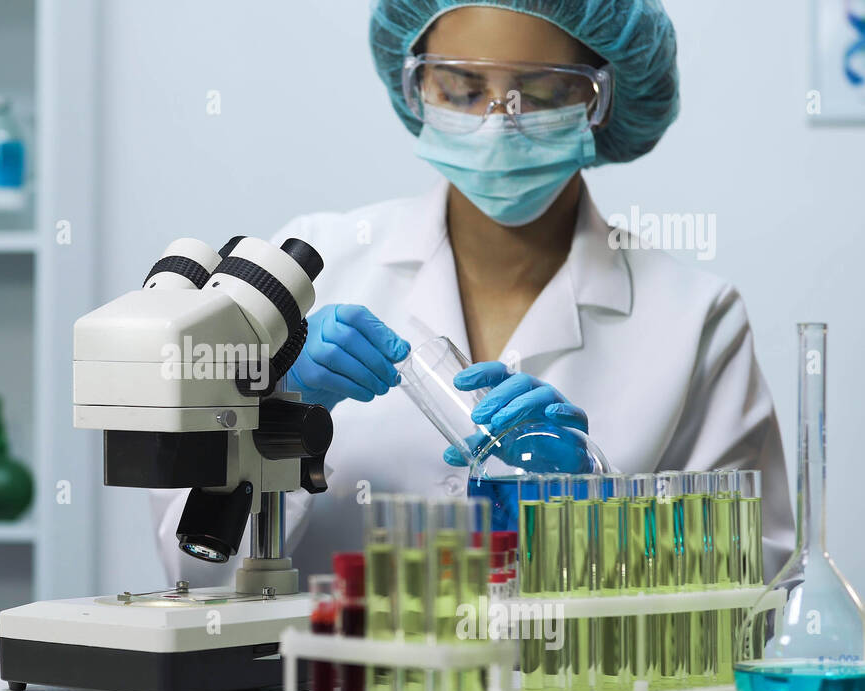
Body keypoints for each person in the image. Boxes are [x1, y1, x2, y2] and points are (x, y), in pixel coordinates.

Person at [151, 0, 793, 587]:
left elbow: (753, 586)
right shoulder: (308, 268)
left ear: (602, 98)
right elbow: (193, 569)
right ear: (417, 87)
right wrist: (278, 412)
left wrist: (593, 502)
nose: (499, 124)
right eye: (462, 88)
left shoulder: (694, 318)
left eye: (542, 93)